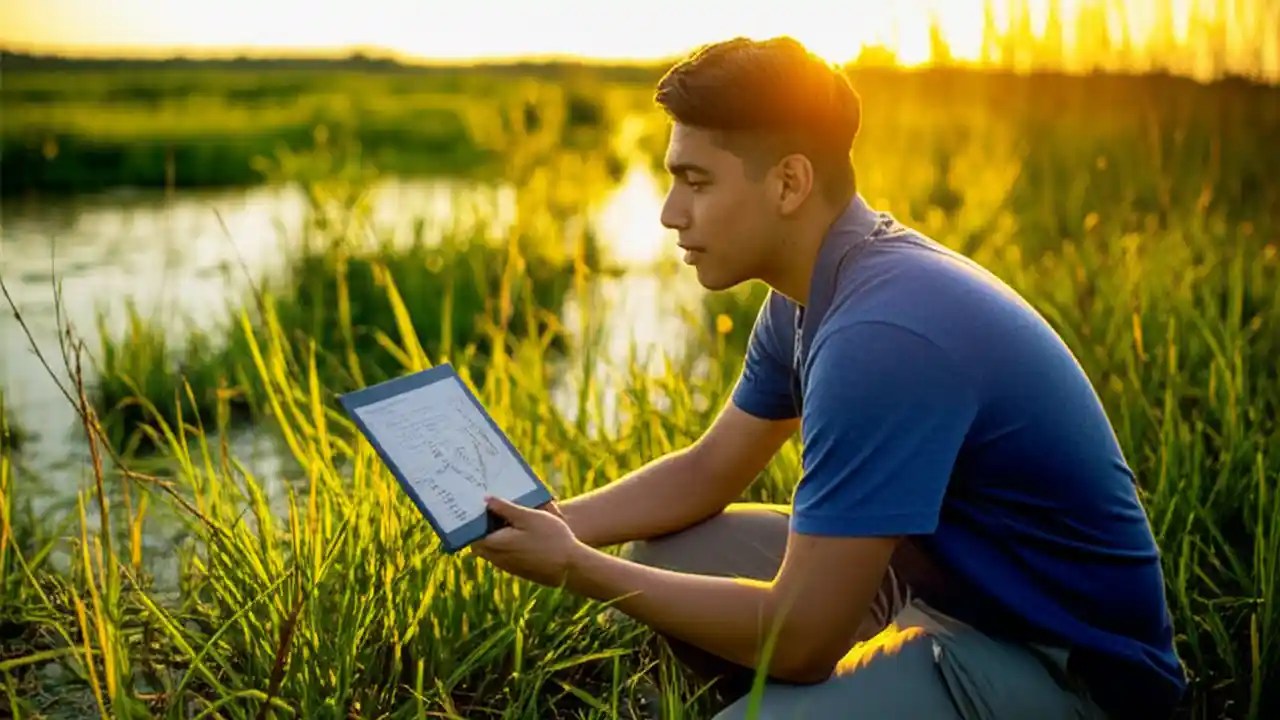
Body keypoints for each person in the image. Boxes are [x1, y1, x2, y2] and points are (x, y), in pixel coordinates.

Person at [470, 36, 1187, 719]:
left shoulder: (882, 335)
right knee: (669, 549)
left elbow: (803, 641)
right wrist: (554, 526)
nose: (668, 213)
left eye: (696, 181)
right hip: (949, 590)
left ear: (789, 181)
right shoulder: (815, 288)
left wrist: (576, 569)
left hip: (1068, 670)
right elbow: (711, 469)